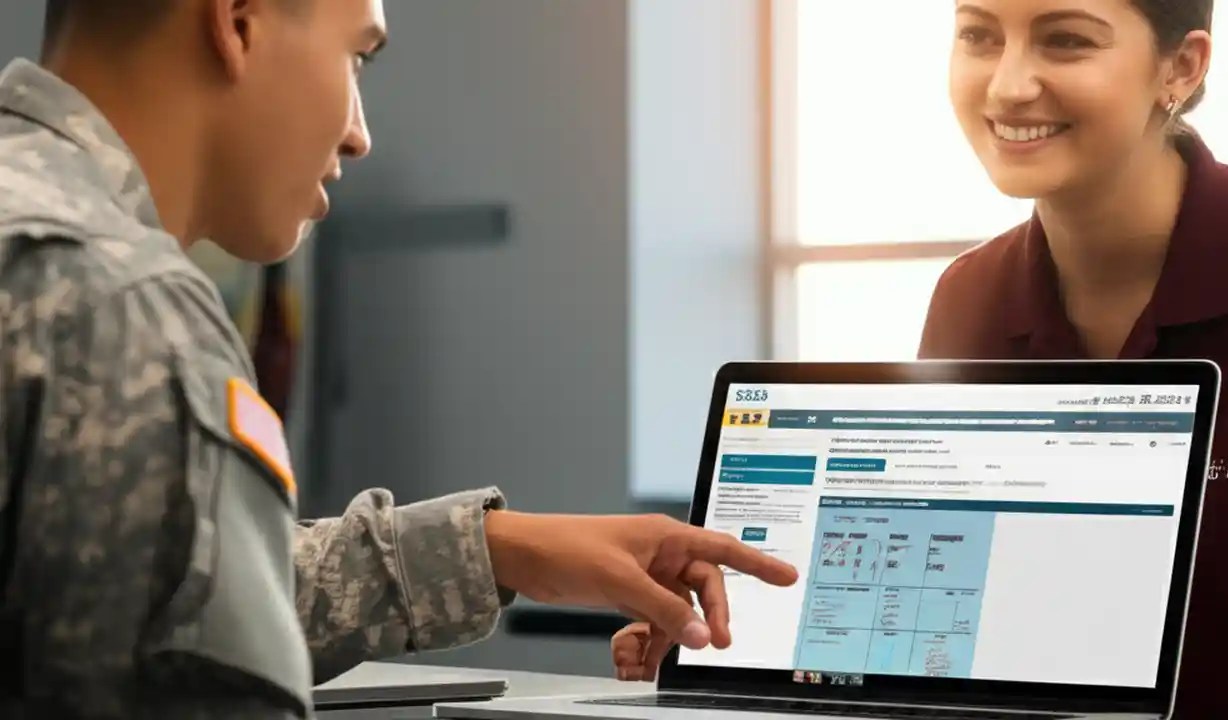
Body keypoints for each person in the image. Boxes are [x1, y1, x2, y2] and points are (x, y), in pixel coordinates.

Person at [0, 0, 800, 717]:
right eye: (357, 56)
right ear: (236, 19)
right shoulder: (119, 306)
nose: (359, 131)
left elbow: (155, 589)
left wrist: (498, 547)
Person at [615, 1, 1228, 717]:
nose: (1007, 86)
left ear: (1181, 66)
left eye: (1065, 41)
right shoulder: (973, 295)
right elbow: (963, 605)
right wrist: (736, 642)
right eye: (979, 37)